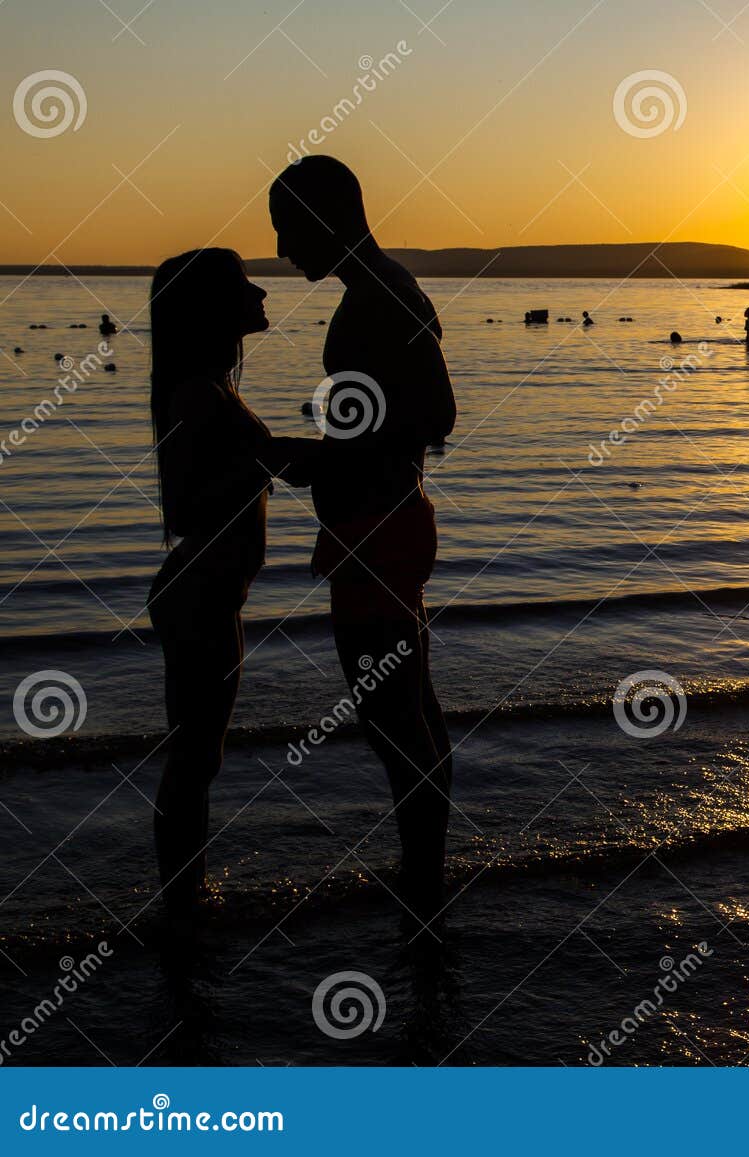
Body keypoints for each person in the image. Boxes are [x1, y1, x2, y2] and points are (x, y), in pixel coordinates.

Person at [267, 156, 457, 913]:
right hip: (382, 530)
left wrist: (319, 457)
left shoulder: (377, 298)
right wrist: (333, 451)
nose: (282, 250)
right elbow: (405, 422)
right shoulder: (381, 291)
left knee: (394, 728)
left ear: (326, 219)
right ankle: (425, 885)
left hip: (376, 536)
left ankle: (422, 894)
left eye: (288, 230)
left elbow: (434, 414)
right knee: (412, 719)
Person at [146, 249, 285, 922]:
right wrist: (263, 463)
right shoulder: (197, 394)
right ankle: (181, 908)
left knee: (200, 758)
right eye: (242, 287)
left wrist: (276, 457)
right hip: (198, 595)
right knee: (193, 761)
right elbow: (182, 509)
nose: (260, 292)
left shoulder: (214, 389)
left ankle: (186, 900)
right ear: (211, 308)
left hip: (213, 595)